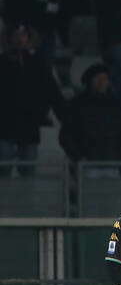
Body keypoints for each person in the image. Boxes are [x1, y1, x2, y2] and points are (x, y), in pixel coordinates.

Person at [0, 24, 67, 176]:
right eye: (16, 35)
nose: (20, 39)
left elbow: (52, 92)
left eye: (23, 35)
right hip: (4, 126)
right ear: (9, 38)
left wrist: (65, 117)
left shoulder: (38, 62)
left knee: (28, 171)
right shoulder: (2, 62)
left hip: (29, 126)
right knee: (3, 170)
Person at [59, 63, 121, 169]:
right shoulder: (76, 105)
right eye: (98, 78)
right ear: (89, 81)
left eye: (105, 78)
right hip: (86, 165)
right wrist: (79, 157)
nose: (102, 82)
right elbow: (66, 135)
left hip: (112, 164)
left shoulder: (116, 105)